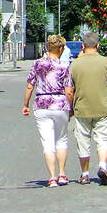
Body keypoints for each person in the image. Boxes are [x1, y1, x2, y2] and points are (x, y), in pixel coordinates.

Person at [23, 34, 74, 187]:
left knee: (47, 143)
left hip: (42, 104)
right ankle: (62, 174)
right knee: (62, 140)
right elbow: (69, 90)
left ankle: (52, 177)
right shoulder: (65, 66)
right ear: (60, 49)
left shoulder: (38, 64)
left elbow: (30, 85)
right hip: (60, 104)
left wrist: (25, 104)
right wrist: (70, 107)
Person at [69, 31, 107, 185]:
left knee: (83, 141)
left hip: (81, 108)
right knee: (103, 139)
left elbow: (69, 89)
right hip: (102, 107)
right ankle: (103, 166)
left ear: (83, 46)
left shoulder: (74, 64)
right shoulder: (106, 62)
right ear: (98, 46)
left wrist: (70, 108)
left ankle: (84, 174)